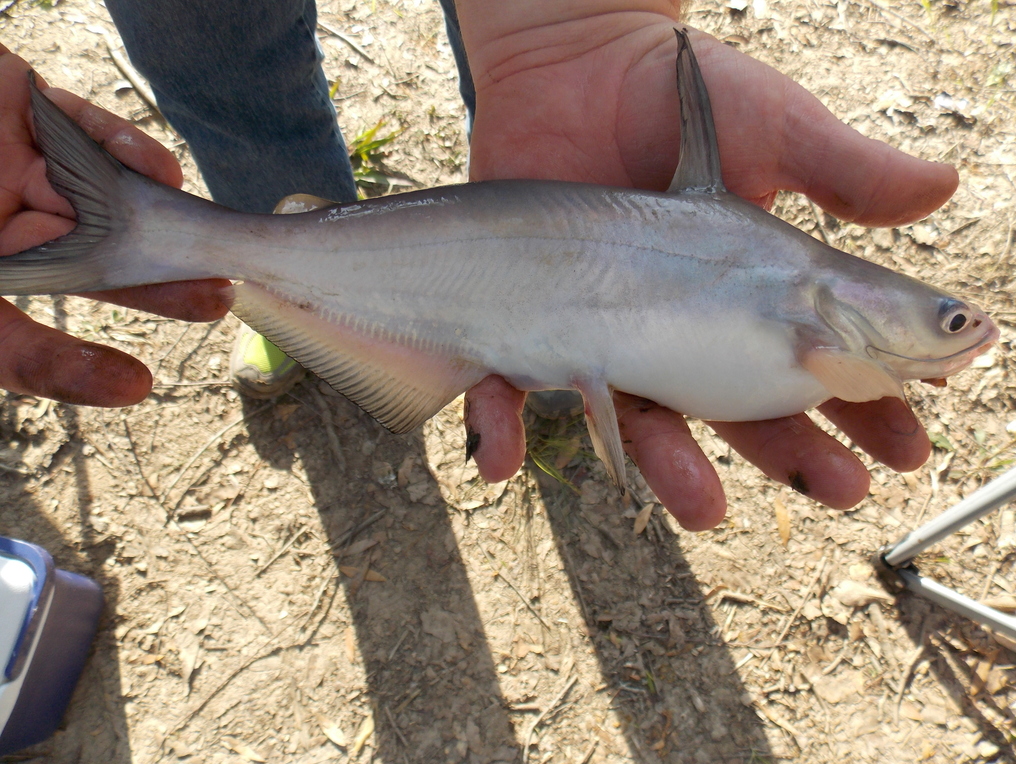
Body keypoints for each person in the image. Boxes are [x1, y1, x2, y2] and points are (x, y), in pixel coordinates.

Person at [0, 0, 955, 531]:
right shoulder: (801, 298)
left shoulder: (803, 303)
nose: (965, 332)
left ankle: (258, 279)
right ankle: (268, 293)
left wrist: (573, 21)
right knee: (224, 74)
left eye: (951, 318)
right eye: (949, 317)